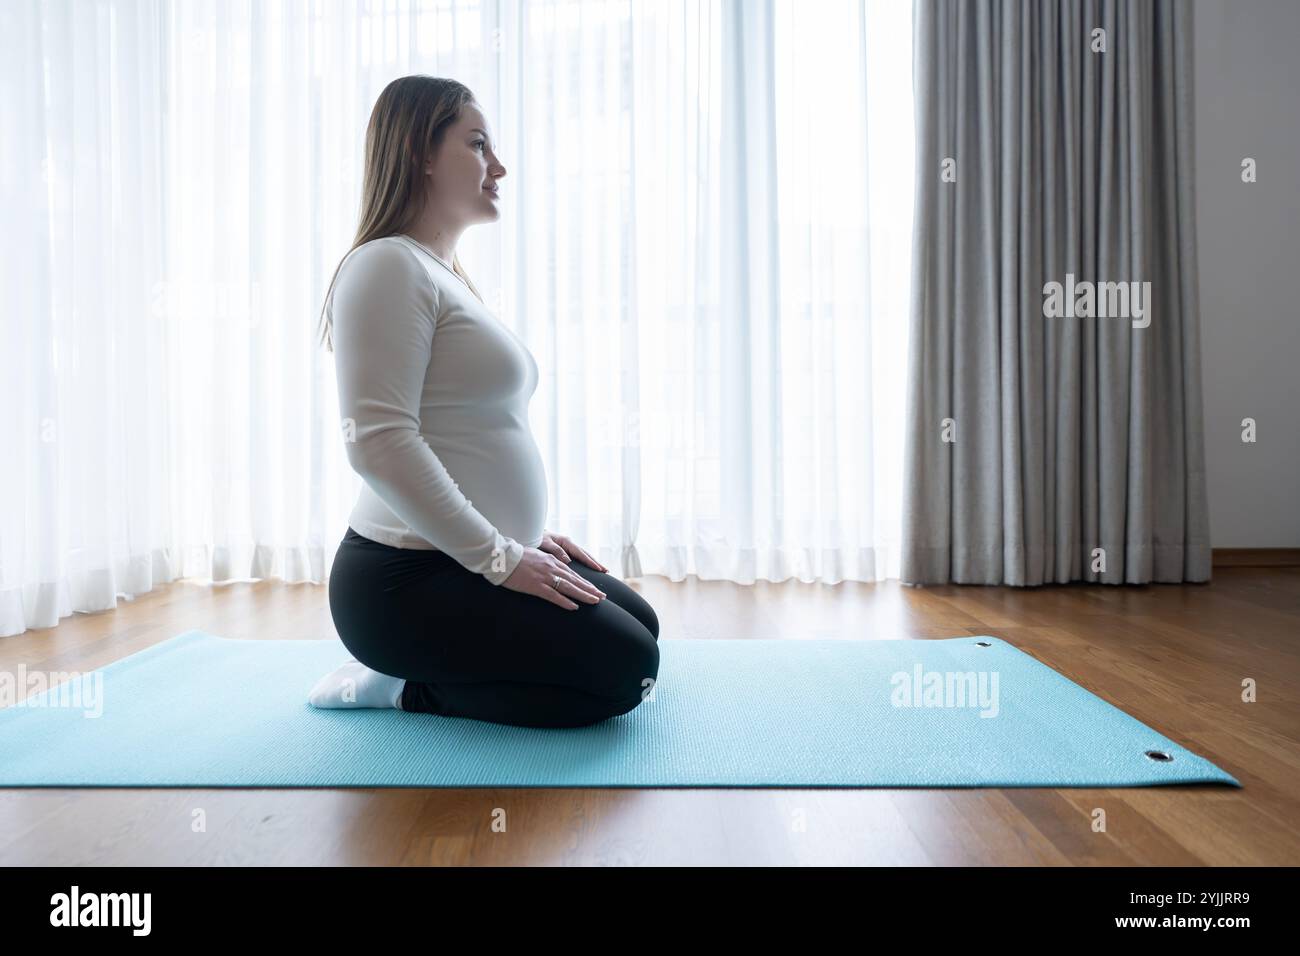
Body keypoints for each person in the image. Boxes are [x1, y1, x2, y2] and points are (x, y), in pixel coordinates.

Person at [308, 76, 660, 729]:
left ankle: (427, 666)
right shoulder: (386, 266)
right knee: (624, 673)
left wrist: (523, 539)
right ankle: (400, 686)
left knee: (643, 627)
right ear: (420, 151)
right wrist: (498, 556)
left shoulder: (441, 274)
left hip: (463, 558)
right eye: (477, 145)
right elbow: (378, 443)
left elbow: (466, 429)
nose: (498, 166)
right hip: (400, 582)